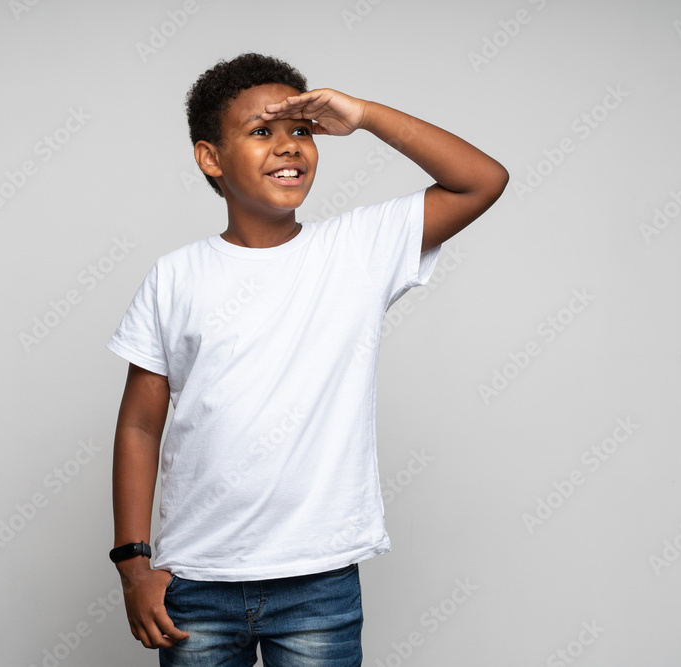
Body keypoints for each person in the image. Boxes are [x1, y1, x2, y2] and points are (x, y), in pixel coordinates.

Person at [106, 52, 508, 665]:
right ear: (211, 157)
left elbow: (481, 179)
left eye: (301, 131)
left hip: (318, 581)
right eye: (262, 132)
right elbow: (139, 424)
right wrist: (133, 565)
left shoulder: (356, 251)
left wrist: (365, 115)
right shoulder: (174, 277)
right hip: (195, 583)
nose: (289, 146)